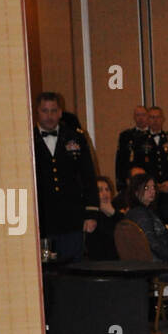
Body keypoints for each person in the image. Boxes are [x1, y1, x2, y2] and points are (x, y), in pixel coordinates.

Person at [33, 91, 98, 261]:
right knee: (44, 273)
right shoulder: (28, 139)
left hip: (72, 217)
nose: (49, 116)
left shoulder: (75, 137)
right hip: (41, 218)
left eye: (54, 111)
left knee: (73, 269)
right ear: (37, 112)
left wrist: (91, 213)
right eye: (45, 111)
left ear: (60, 112)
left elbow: (88, 176)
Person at [123, 171, 168, 282]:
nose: (152, 191)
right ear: (136, 192)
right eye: (146, 188)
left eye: (153, 187)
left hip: (151, 264)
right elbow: (151, 243)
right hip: (157, 267)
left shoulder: (139, 211)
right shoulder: (140, 214)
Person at [146, 106, 168, 224]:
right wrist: (152, 184)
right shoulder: (140, 140)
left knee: (166, 222)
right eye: (152, 117)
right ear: (147, 119)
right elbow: (138, 167)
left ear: (163, 119)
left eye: (158, 117)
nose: (155, 120)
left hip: (167, 190)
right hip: (148, 191)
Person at [115, 105, 154, 192]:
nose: (140, 118)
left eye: (143, 115)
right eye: (137, 115)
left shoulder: (153, 136)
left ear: (148, 116)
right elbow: (120, 161)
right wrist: (120, 183)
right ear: (134, 117)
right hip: (131, 181)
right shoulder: (126, 136)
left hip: (150, 180)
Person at [85, 176, 120, 260]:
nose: (105, 193)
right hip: (99, 264)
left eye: (107, 189)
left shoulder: (117, 212)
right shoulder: (91, 215)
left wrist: (113, 213)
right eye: (100, 190)